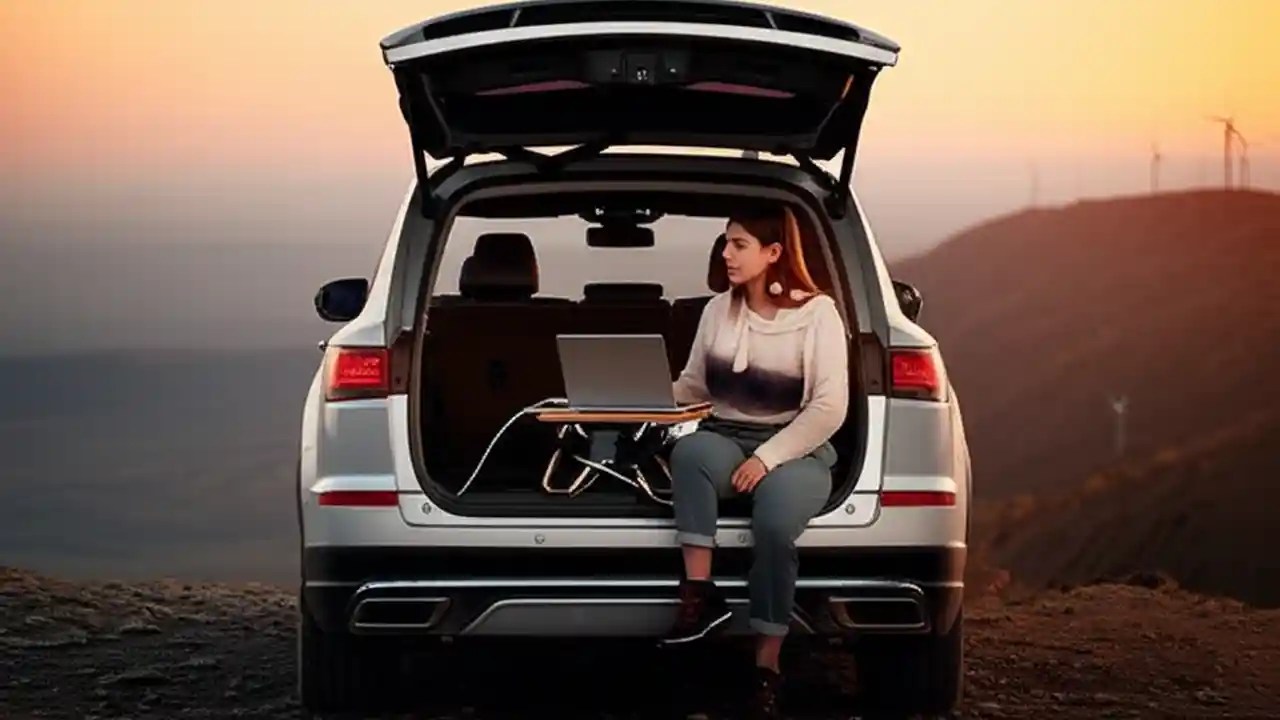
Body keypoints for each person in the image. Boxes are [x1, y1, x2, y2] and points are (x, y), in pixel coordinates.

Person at [662, 204, 850, 718]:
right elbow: (694, 388)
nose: (726, 254)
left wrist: (767, 459)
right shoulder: (716, 311)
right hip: (725, 435)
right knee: (693, 452)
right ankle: (699, 593)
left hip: (798, 447)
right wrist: (637, 398)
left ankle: (766, 663)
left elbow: (829, 408)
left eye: (738, 244)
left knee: (772, 526)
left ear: (773, 253)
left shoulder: (817, 315)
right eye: (725, 243)